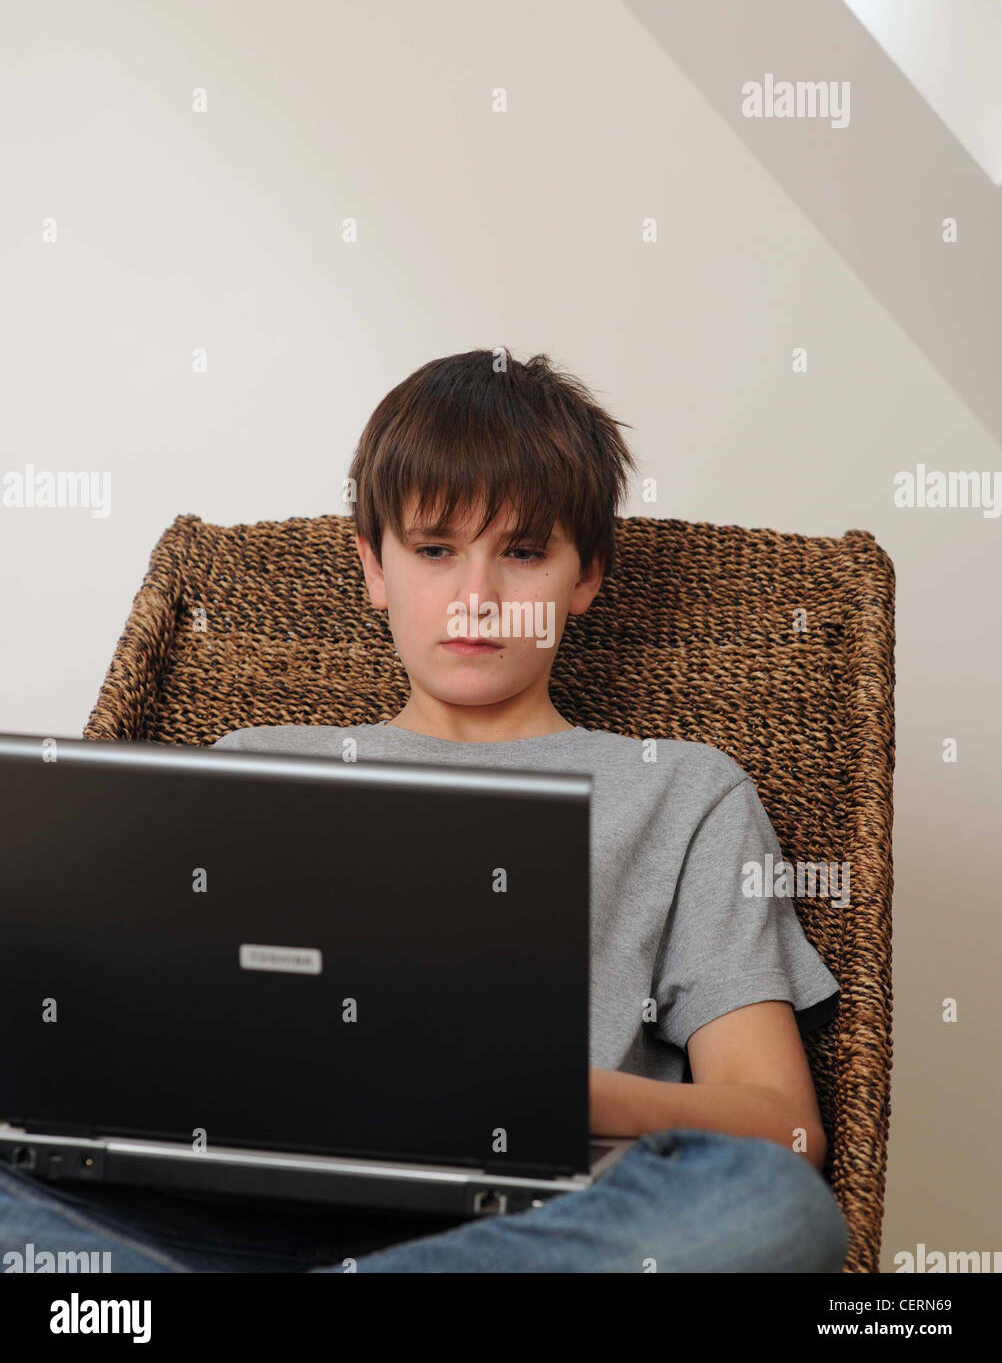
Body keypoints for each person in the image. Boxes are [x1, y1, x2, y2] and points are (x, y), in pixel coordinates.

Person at [0, 348, 849, 1273]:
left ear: (587, 576)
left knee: (768, 1209)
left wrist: (545, 1097)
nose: (476, 599)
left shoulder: (682, 791)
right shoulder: (256, 761)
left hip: (522, 1232)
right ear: (374, 568)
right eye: (434, 551)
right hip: (213, 1220)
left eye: (523, 553)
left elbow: (782, 1133)